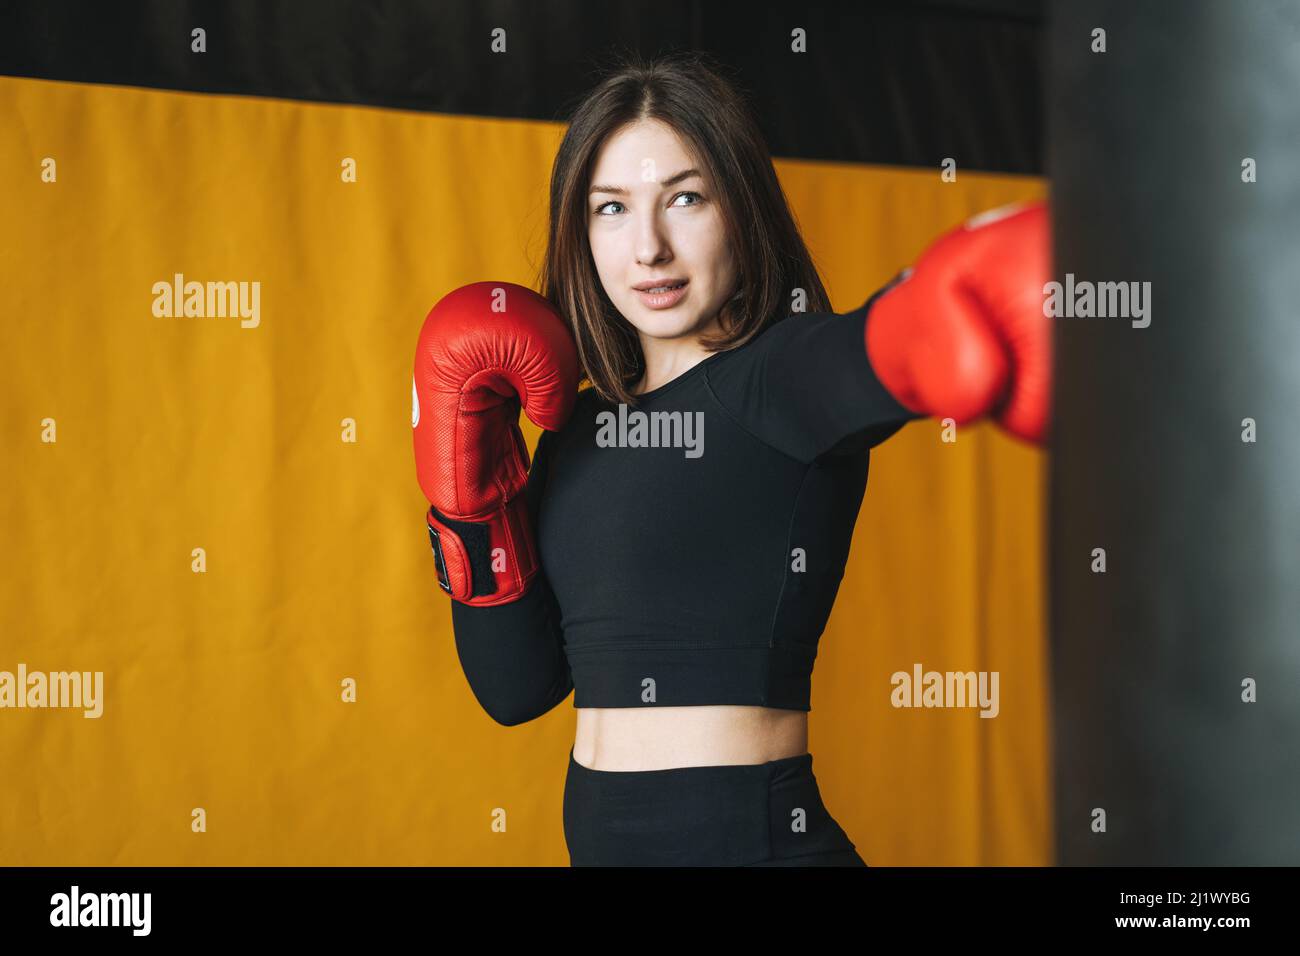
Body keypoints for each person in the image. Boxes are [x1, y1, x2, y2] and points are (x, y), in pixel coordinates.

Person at [411, 52, 1050, 866]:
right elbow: (516, 692)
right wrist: (473, 506)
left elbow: (859, 357)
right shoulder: (575, 422)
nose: (648, 247)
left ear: (739, 208)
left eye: (685, 197)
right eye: (611, 208)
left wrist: (931, 312)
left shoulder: (775, 378)